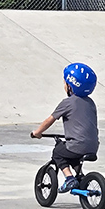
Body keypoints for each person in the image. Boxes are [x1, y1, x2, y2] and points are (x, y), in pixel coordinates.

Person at [31, 63, 99, 192]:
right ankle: (79, 176)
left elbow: (50, 120)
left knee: (58, 152)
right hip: (93, 146)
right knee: (72, 154)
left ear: (71, 86)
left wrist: (37, 132)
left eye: (65, 83)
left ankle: (69, 178)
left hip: (76, 145)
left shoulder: (67, 103)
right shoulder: (91, 103)